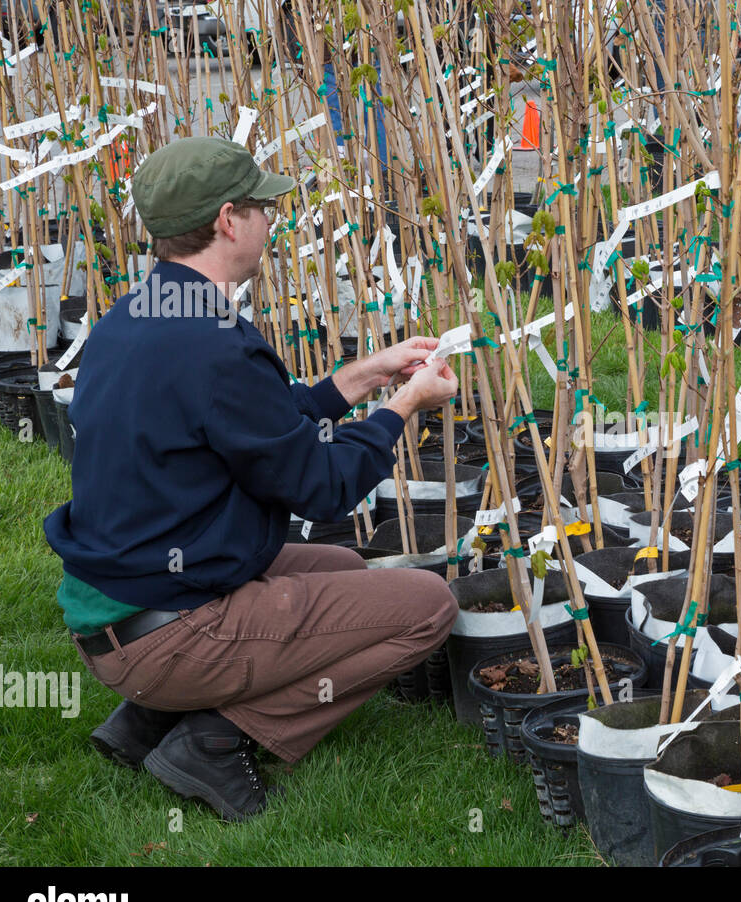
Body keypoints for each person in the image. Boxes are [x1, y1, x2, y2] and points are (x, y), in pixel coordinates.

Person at [43, 137, 460, 822]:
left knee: (341, 565)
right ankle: (214, 737)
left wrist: (360, 377)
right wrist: (403, 407)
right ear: (230, 220)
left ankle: (146, 720)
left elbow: (254, 423)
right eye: (264, 205)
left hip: (122, 604)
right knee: (426, 606)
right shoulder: (214, 343)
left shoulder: (138, 316)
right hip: (164, 631)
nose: (274, 218)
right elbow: (322, 486)